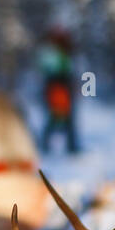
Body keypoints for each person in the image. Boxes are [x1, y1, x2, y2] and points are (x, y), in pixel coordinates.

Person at [39, 26, 79, 154]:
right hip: (55, 87)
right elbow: (48, 70)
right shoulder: (50, 51)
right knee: (54, 117)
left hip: (64, 88)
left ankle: (70, 146)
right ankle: (46, 145)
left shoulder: (67, 51)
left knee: (67, 118)